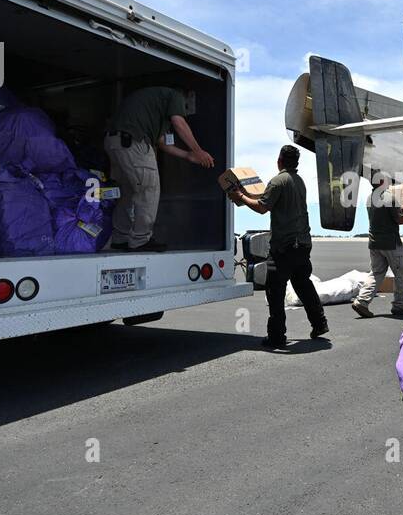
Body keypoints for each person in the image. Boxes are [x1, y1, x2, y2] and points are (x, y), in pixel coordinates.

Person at [228, 144, 328, 350]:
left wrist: (240, 197)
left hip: (284, 246)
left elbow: (262, 207)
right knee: (303, 284)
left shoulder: (278, 181)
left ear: (279, 160)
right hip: (302, 244)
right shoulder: (298, 181)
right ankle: (319, 323)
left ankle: (276, 337)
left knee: (275, 290)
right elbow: (269, 201)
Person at [105, 85, 214, 252]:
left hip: (115, 143)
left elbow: (162, 144)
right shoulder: (176, 96)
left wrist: (187, 155)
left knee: (128, 192)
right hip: (134, 142)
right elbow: (179, 122)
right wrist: (198, 151)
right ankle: (140, 239)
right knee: (149, 189)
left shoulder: (155, 107)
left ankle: (120, 237)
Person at [353, 173, 403, 319]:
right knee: (401, 273)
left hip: (374, 243)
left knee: (376, 273)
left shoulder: (369, 198)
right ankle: (399, 306)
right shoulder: (389, 197)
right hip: (391, 243)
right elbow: (399, 218)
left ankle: (362, 301)